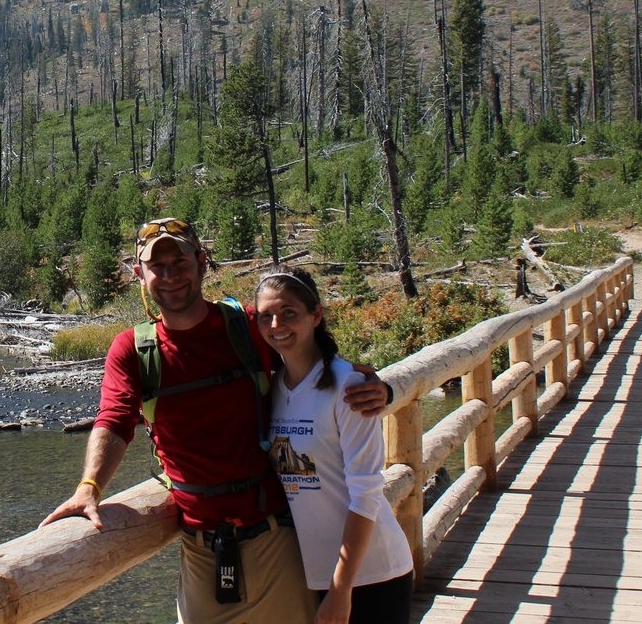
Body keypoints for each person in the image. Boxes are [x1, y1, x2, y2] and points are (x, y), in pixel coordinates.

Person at [41, 218, 390, 624]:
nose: (170, 276)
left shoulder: (245, 327)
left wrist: (382, 387)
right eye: (158, 266)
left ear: (202, 263)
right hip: (199, 547)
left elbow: (311, 365)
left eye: (180, 261)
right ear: (140, 273)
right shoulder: (133, 350)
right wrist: (89, 487)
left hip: (276, 539)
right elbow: (116, 419)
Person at [257, 269, 414, 624]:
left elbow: (366, 493)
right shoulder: (272, 388)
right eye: (266, 316)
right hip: (309, 575)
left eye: (289, 312)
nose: (277, 323)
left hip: (372, 574)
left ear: (316, 315)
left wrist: (341, 589)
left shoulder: (349, 388)